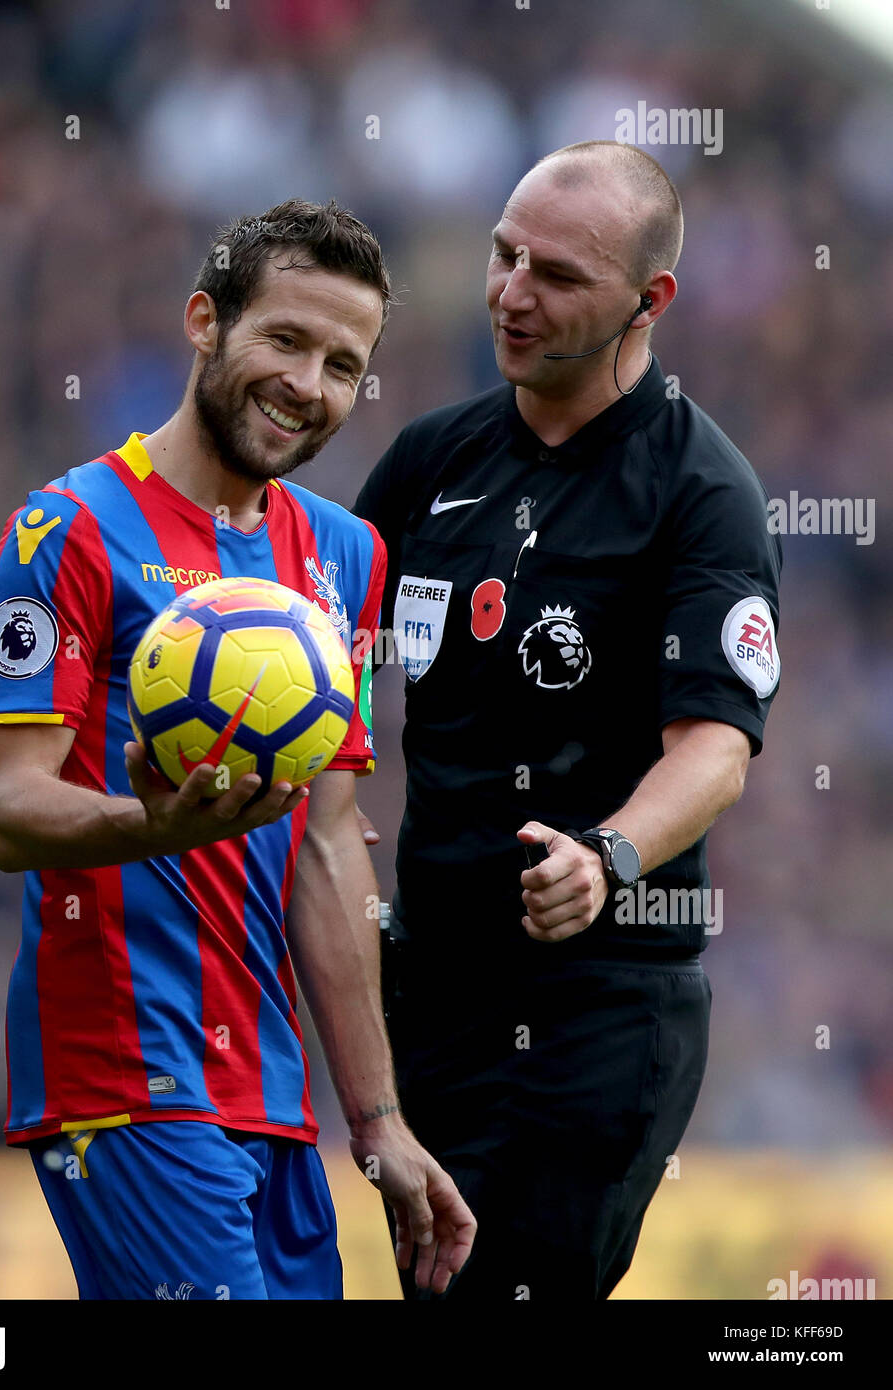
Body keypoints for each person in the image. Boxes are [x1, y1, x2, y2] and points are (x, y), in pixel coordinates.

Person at [0, 199, 475, 1300]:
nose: (309, 384)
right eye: (285, 340)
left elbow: (330, 853)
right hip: (124, 1078)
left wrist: (378, 1117)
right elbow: (8, 812)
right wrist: (149, 823)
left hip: (274, 1095)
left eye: (343, 364)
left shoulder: (344, 554)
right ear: (205, 320)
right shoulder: (67, 533)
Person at [354, 142, 782, 1300]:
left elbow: (715, 747)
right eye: (503, 256)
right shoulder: (427, 463)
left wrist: (608, 855)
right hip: (427, 994)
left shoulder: (702, 492)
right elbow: (312, 660)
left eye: (555, 275)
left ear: (650, 302)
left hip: (600, 1002)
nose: (510, 293)